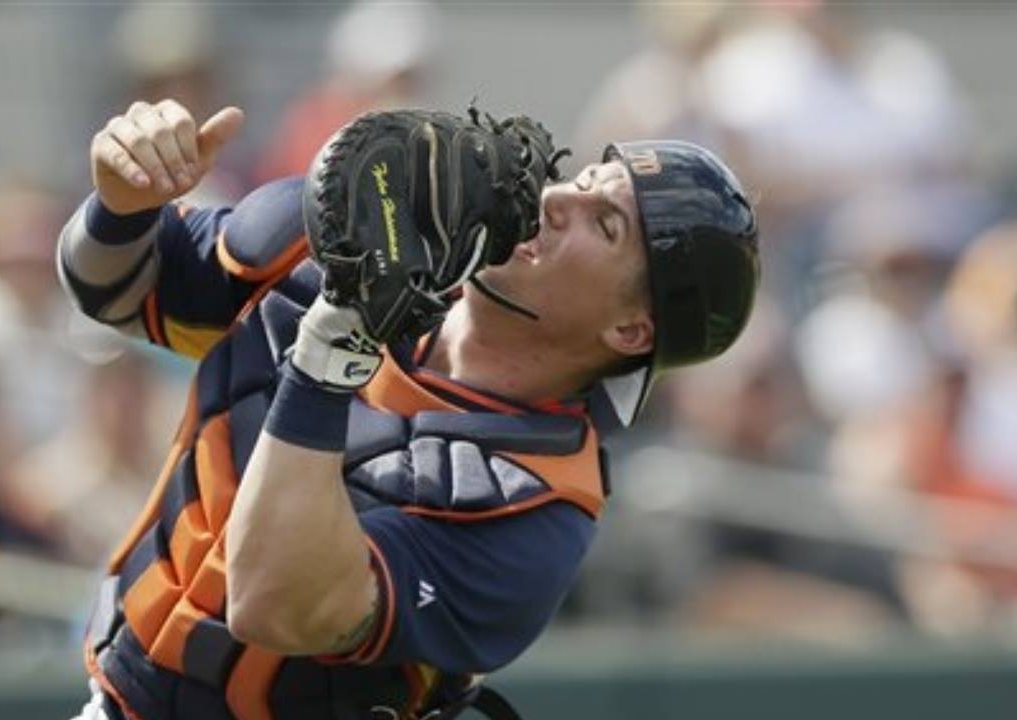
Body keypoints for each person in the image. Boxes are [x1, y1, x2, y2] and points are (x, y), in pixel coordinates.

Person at [58, 97, 758, 719]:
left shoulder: (536, 511)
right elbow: (126, 290)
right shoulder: (348, 234)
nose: (556, 202)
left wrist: (331, 357)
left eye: (603, 225)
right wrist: (123, 201)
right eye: (579, 181)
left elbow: (273, 603)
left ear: (630, 332)